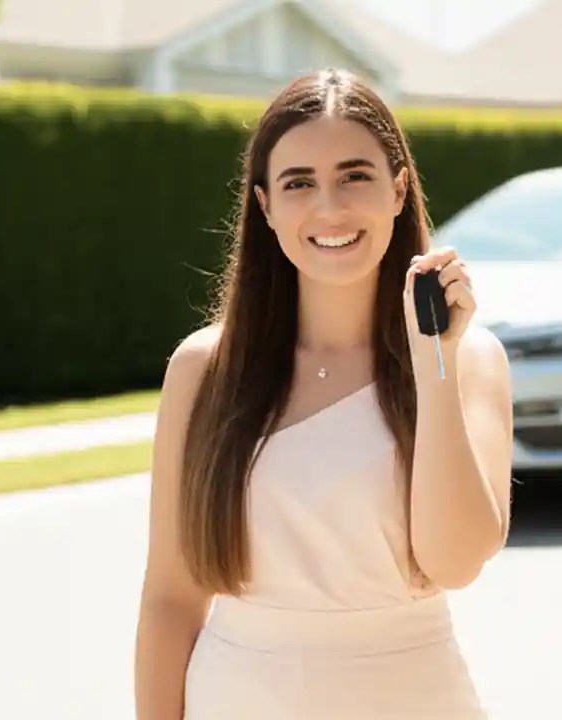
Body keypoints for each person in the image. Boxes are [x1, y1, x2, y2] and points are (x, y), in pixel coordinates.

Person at [133, 68, 514, 719]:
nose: (329, 207)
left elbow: (454, 561)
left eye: (354, 176)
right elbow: (171, 599)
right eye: (299, 183)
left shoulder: (469, 359)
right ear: (265, 206)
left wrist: (434, 364)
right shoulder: (205, 370)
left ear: (398, 191)